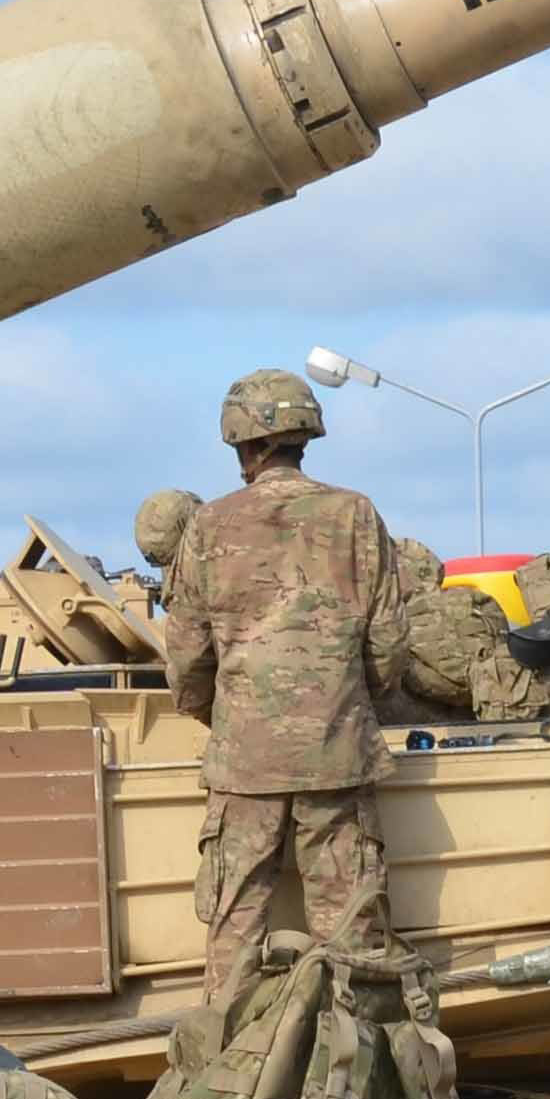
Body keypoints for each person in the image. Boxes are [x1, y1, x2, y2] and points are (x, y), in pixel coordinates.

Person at [157, 368, 417, 1014]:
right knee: (353, 932)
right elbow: (389, 642)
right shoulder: (355, 515)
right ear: (304, 437)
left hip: (244, 762)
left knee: (235, 929)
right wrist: (348, 703)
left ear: (242, 444)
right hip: (337, 755)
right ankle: (353, 1059)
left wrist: (225, 716)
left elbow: (186, 656)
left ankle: (227, 1055)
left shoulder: (209, 526)